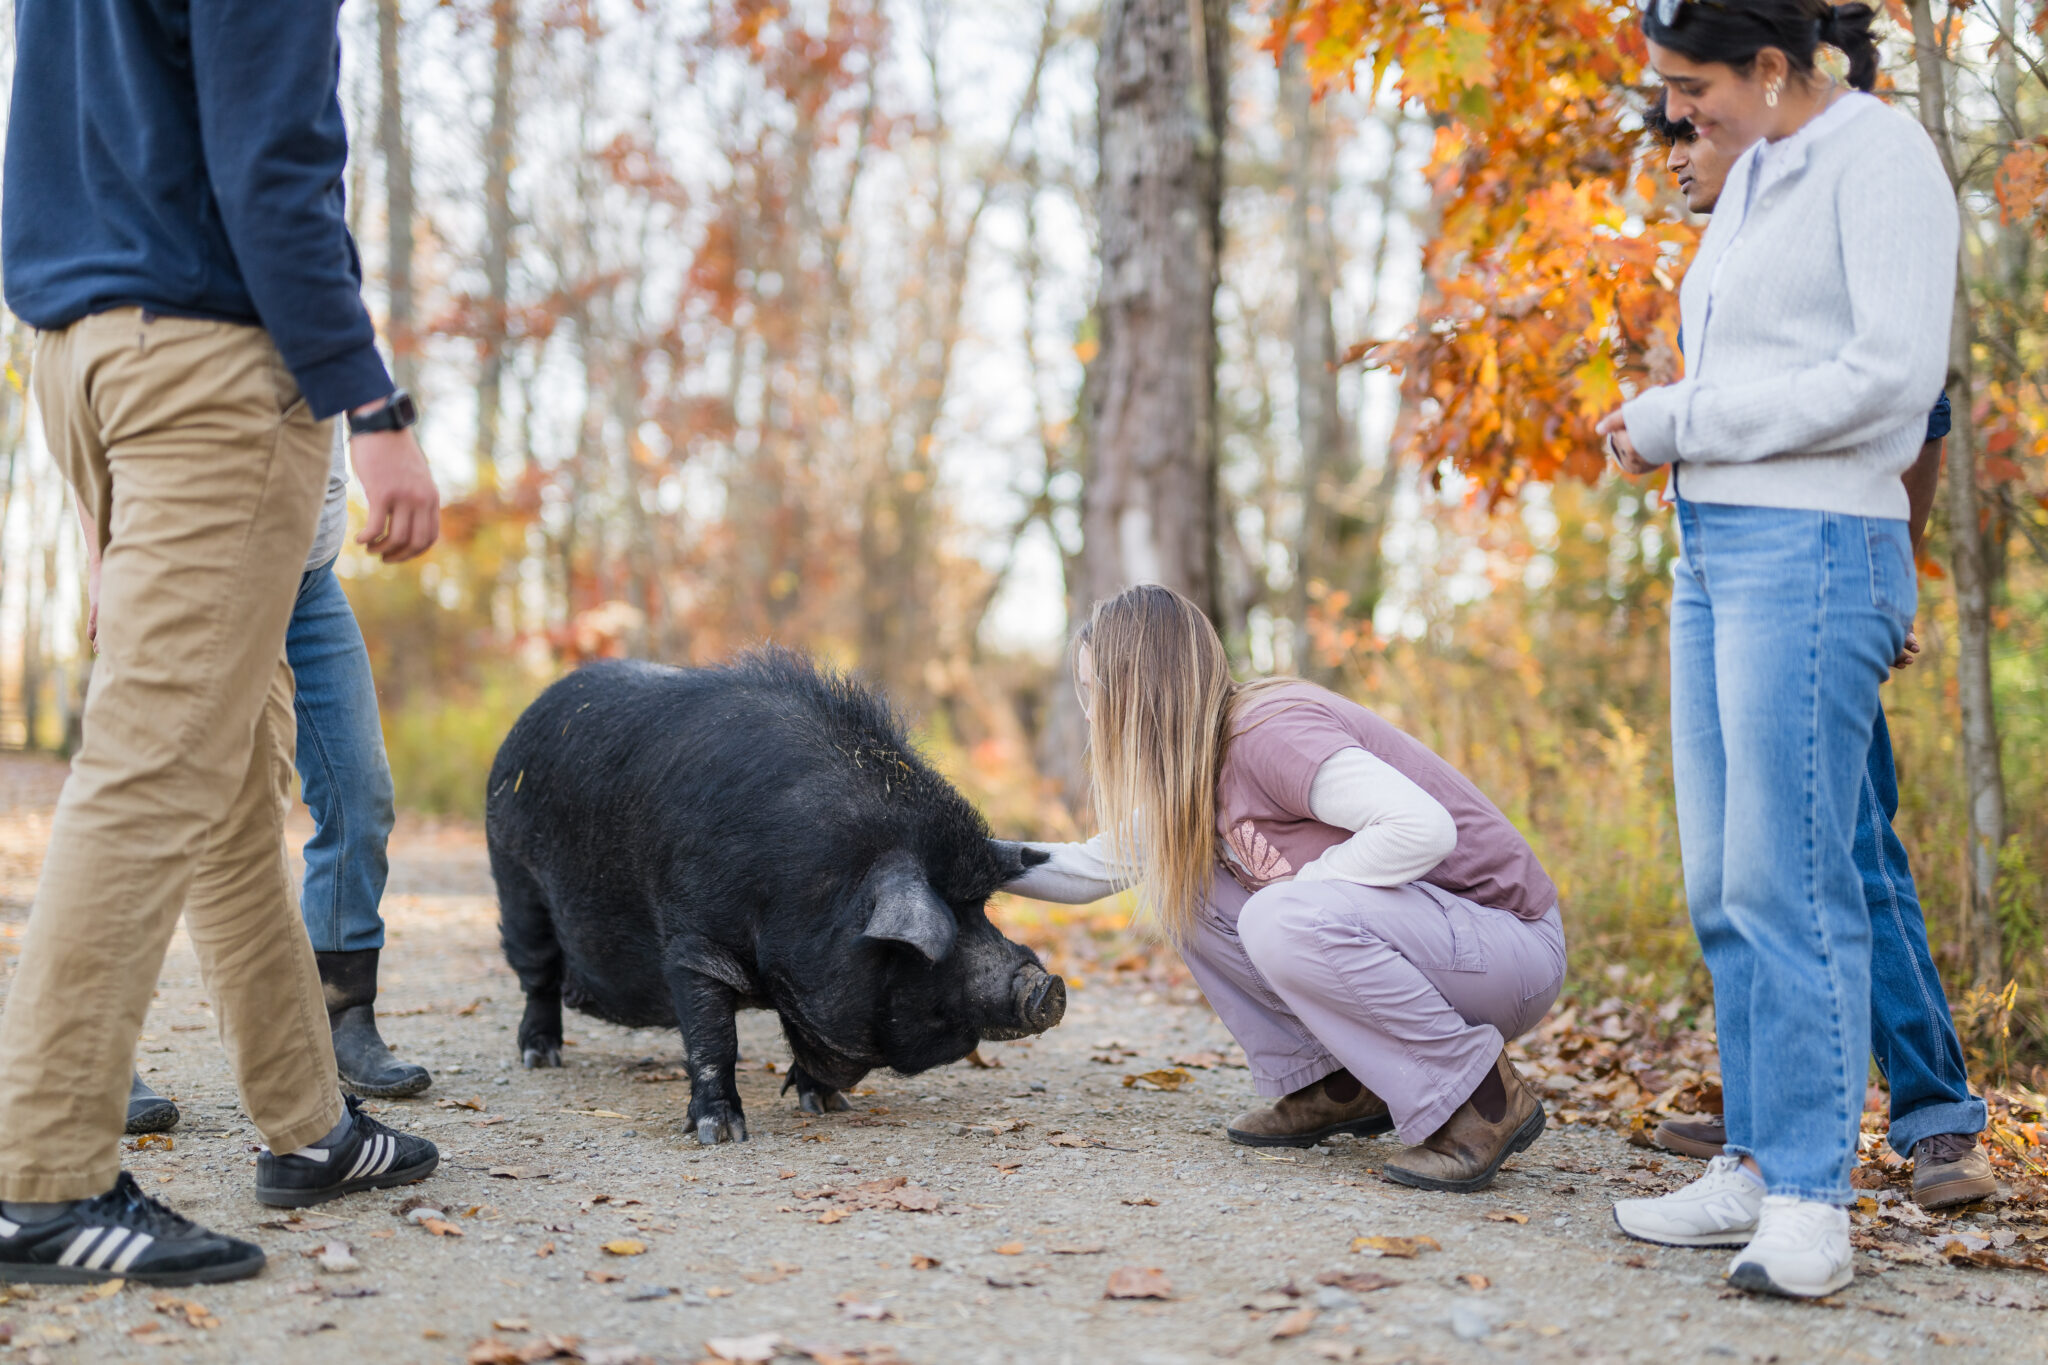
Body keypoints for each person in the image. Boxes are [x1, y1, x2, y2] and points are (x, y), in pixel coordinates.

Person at [0, 0, 443, 1285]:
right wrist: (373, 403)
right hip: (207, 364)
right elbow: (273, 157)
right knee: (153, 771)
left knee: (231, 775)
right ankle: (43, 1181)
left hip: (81, 348)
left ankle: (309, 1126)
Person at [1594, 1, 1958, 1299]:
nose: (1675, 111)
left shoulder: (1881, 157)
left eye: (1689, 84)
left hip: (1814, 546)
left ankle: (1811, 1197)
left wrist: (1682, 417)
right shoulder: (1756, 175)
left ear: (1767, 64)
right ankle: (1751, 1161)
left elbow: (1892, 378)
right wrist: (1669, 431)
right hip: (1713, 549)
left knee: (1792, 882)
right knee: (1722, 880)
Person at [1641, 96, 1993, 1210]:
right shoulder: (1724, 260)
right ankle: (1770, 1113)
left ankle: (1937, 1117)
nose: (1675, 158)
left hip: (1821, 579)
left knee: (1851, 852)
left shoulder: (1847, 187)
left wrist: (1896, 584)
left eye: (1685, 133)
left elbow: (1919, 412)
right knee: (1750, 867)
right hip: (1741, 582)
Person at [1007, 585, 1566, 1192]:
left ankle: (1481, 1098)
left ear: (1143, 686)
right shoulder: (1196, 763)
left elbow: (1420, 828)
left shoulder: (1269, 730)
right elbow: (1090, 868)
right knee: (1186, 886)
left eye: (1097, 691)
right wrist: (961, 854)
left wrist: (1299, 895)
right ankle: (1337, 1082)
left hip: (1506, 947)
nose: (1092, 714)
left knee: (1280, 915)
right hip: (1440, 948)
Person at [115, 427, 432, 1136]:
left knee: (360, 792)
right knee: (154, 809)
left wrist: (378, 425)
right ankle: (99, 1047)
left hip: (308, 578)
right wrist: (104, 558)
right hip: (193, 569)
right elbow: (103, 425)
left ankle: (343, 1016)